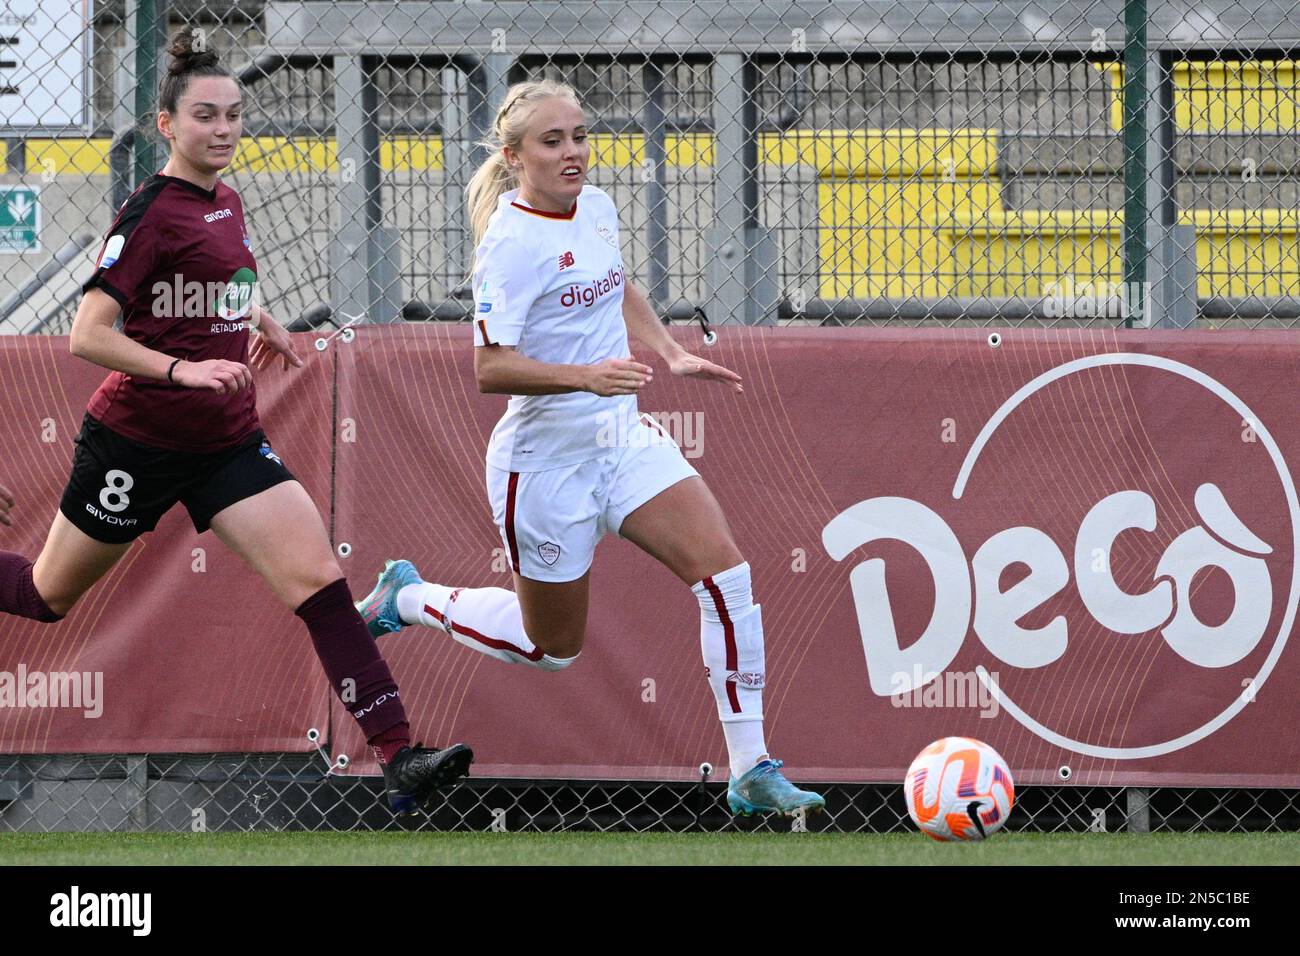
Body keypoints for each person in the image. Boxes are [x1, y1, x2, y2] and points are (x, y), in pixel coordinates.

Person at [0, 29, 470, 814]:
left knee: (319, 584)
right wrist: (186, 369)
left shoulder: (227, 201)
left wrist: (258, 314)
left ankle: (398, 756)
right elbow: (90, 334)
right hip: (136, 444)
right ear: (166, 126)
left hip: (225, 444)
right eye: (205, 117)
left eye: (234, 115)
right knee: (47, 595)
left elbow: (204, 289)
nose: (223, 130)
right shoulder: (148, 212)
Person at [356, 79, 824, 817]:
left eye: (579, 135)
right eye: (553, 141)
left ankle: (750, 767)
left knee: (726, 576)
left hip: (622, 441)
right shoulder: (508, 246)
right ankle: (408, 597)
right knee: (552, 648)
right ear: (514, 158)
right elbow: (489, 368)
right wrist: (585, 376)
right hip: (543, 470)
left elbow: (616, 283)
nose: (573, 151)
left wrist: (668, 352)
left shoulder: (597, 207)